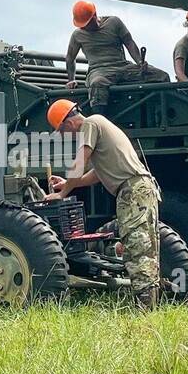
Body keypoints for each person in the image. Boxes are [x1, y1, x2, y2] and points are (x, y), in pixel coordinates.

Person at [44, 97, 161, 307]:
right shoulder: (99, 125)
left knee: (137, 248)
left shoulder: (90, 124)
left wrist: (62, 194)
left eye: (61, 131)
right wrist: (67, 184)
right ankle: (150, 303)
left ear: (68, 124)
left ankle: (145, 309)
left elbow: (80, 162)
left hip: (133, 192)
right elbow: (97, 173)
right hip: (139, 189)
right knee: (145, 247)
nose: (63, 136)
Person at [65, 0, 169, 109]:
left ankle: (162, 110)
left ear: (94, 15)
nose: (85, 27)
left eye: (87, 24)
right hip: (99, 71)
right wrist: (71, 80)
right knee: (97, 84)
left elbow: (129, 42)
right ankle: (99, 116)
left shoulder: (113, 22)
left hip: (123, 67)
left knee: (161, 76)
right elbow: (70, 58)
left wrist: (139, 62)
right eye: (82, 25)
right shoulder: (77, 35)